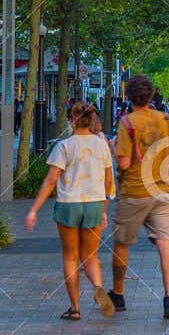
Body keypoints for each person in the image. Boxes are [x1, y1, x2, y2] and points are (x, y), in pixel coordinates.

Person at [26, 100, 115, 321]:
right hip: (94, 203)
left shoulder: (64, 146)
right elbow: (108, 180)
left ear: (71, 120)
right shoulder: (101, 144)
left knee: (70, 257)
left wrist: (34, 209)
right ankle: (98, 286)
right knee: (91, 256)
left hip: (69, 205)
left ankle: (75, 308)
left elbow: (50, 181)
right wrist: (104, 208)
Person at [111, 75, 169, 320]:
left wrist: (113, 150)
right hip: (162, 190)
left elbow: (124, 161)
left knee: (122, 243)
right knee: (165, 244)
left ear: (128, 97)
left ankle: (118, 295)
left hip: (135, 191)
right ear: (151, 96)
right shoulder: (164, 119)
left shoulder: (127, 122)